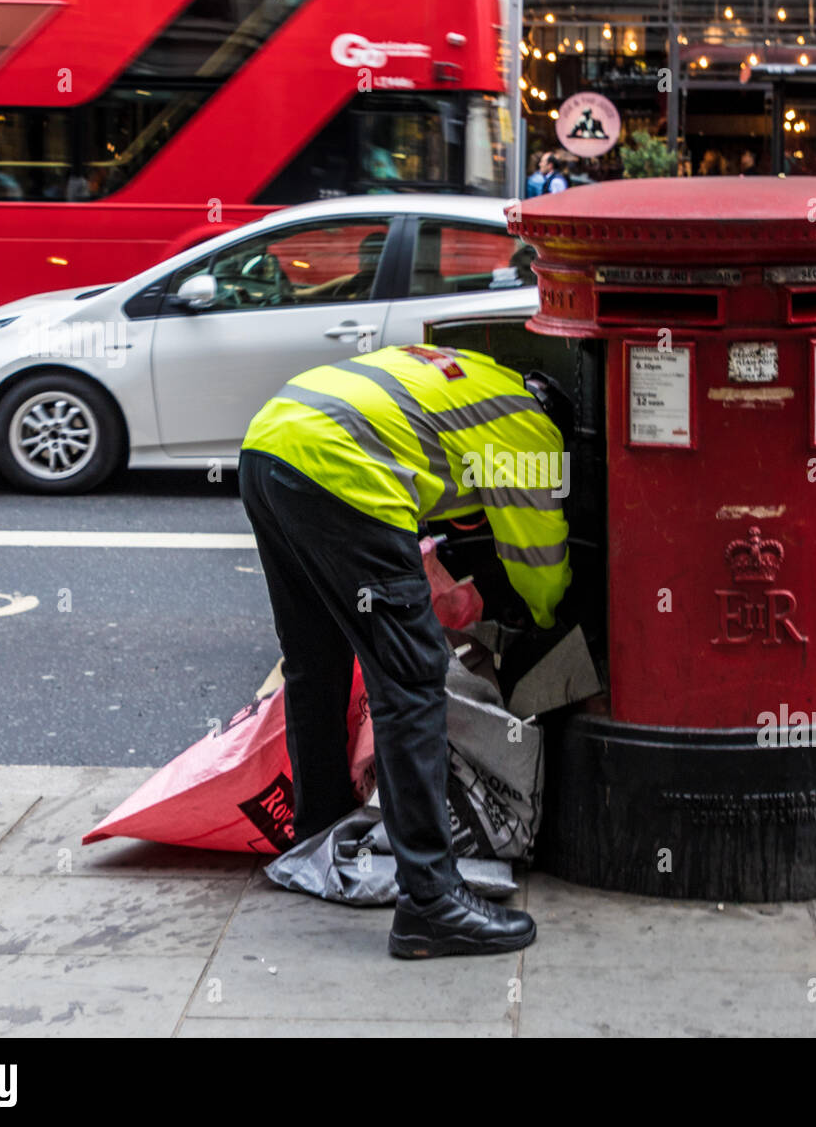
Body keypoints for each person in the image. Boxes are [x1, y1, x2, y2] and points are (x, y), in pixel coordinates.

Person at [238, 343, 573, 958]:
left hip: (270, 443)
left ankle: (317, 835)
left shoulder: (474, 375)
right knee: (410, 681)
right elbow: (540, 565)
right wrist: (539, 619)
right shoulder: (532, 435)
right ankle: (431, 901)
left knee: (317, 661)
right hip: (342, 467)